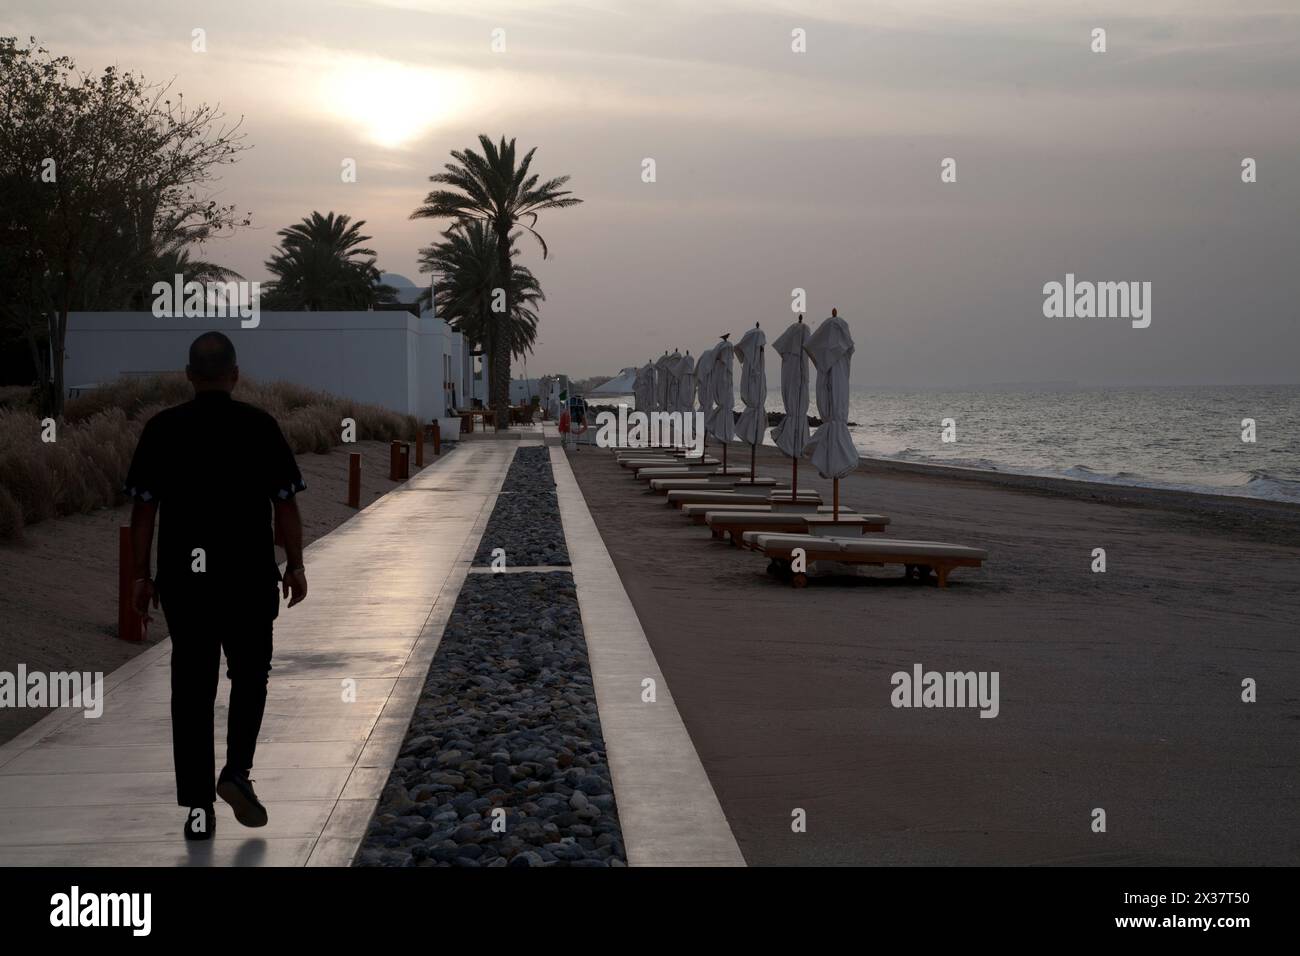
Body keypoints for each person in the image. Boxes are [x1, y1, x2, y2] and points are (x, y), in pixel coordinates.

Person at [124, 332, 308, 841]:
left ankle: (199, 808)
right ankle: (237, 773)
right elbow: (285, 503)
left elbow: (144, 509)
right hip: (248, 579)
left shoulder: (162, 429)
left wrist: (140, 576)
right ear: (235, 374)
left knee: (192, 689)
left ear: (189, 375)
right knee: (251, 676)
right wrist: (295, 564)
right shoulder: (260, 426)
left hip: (185, 583)